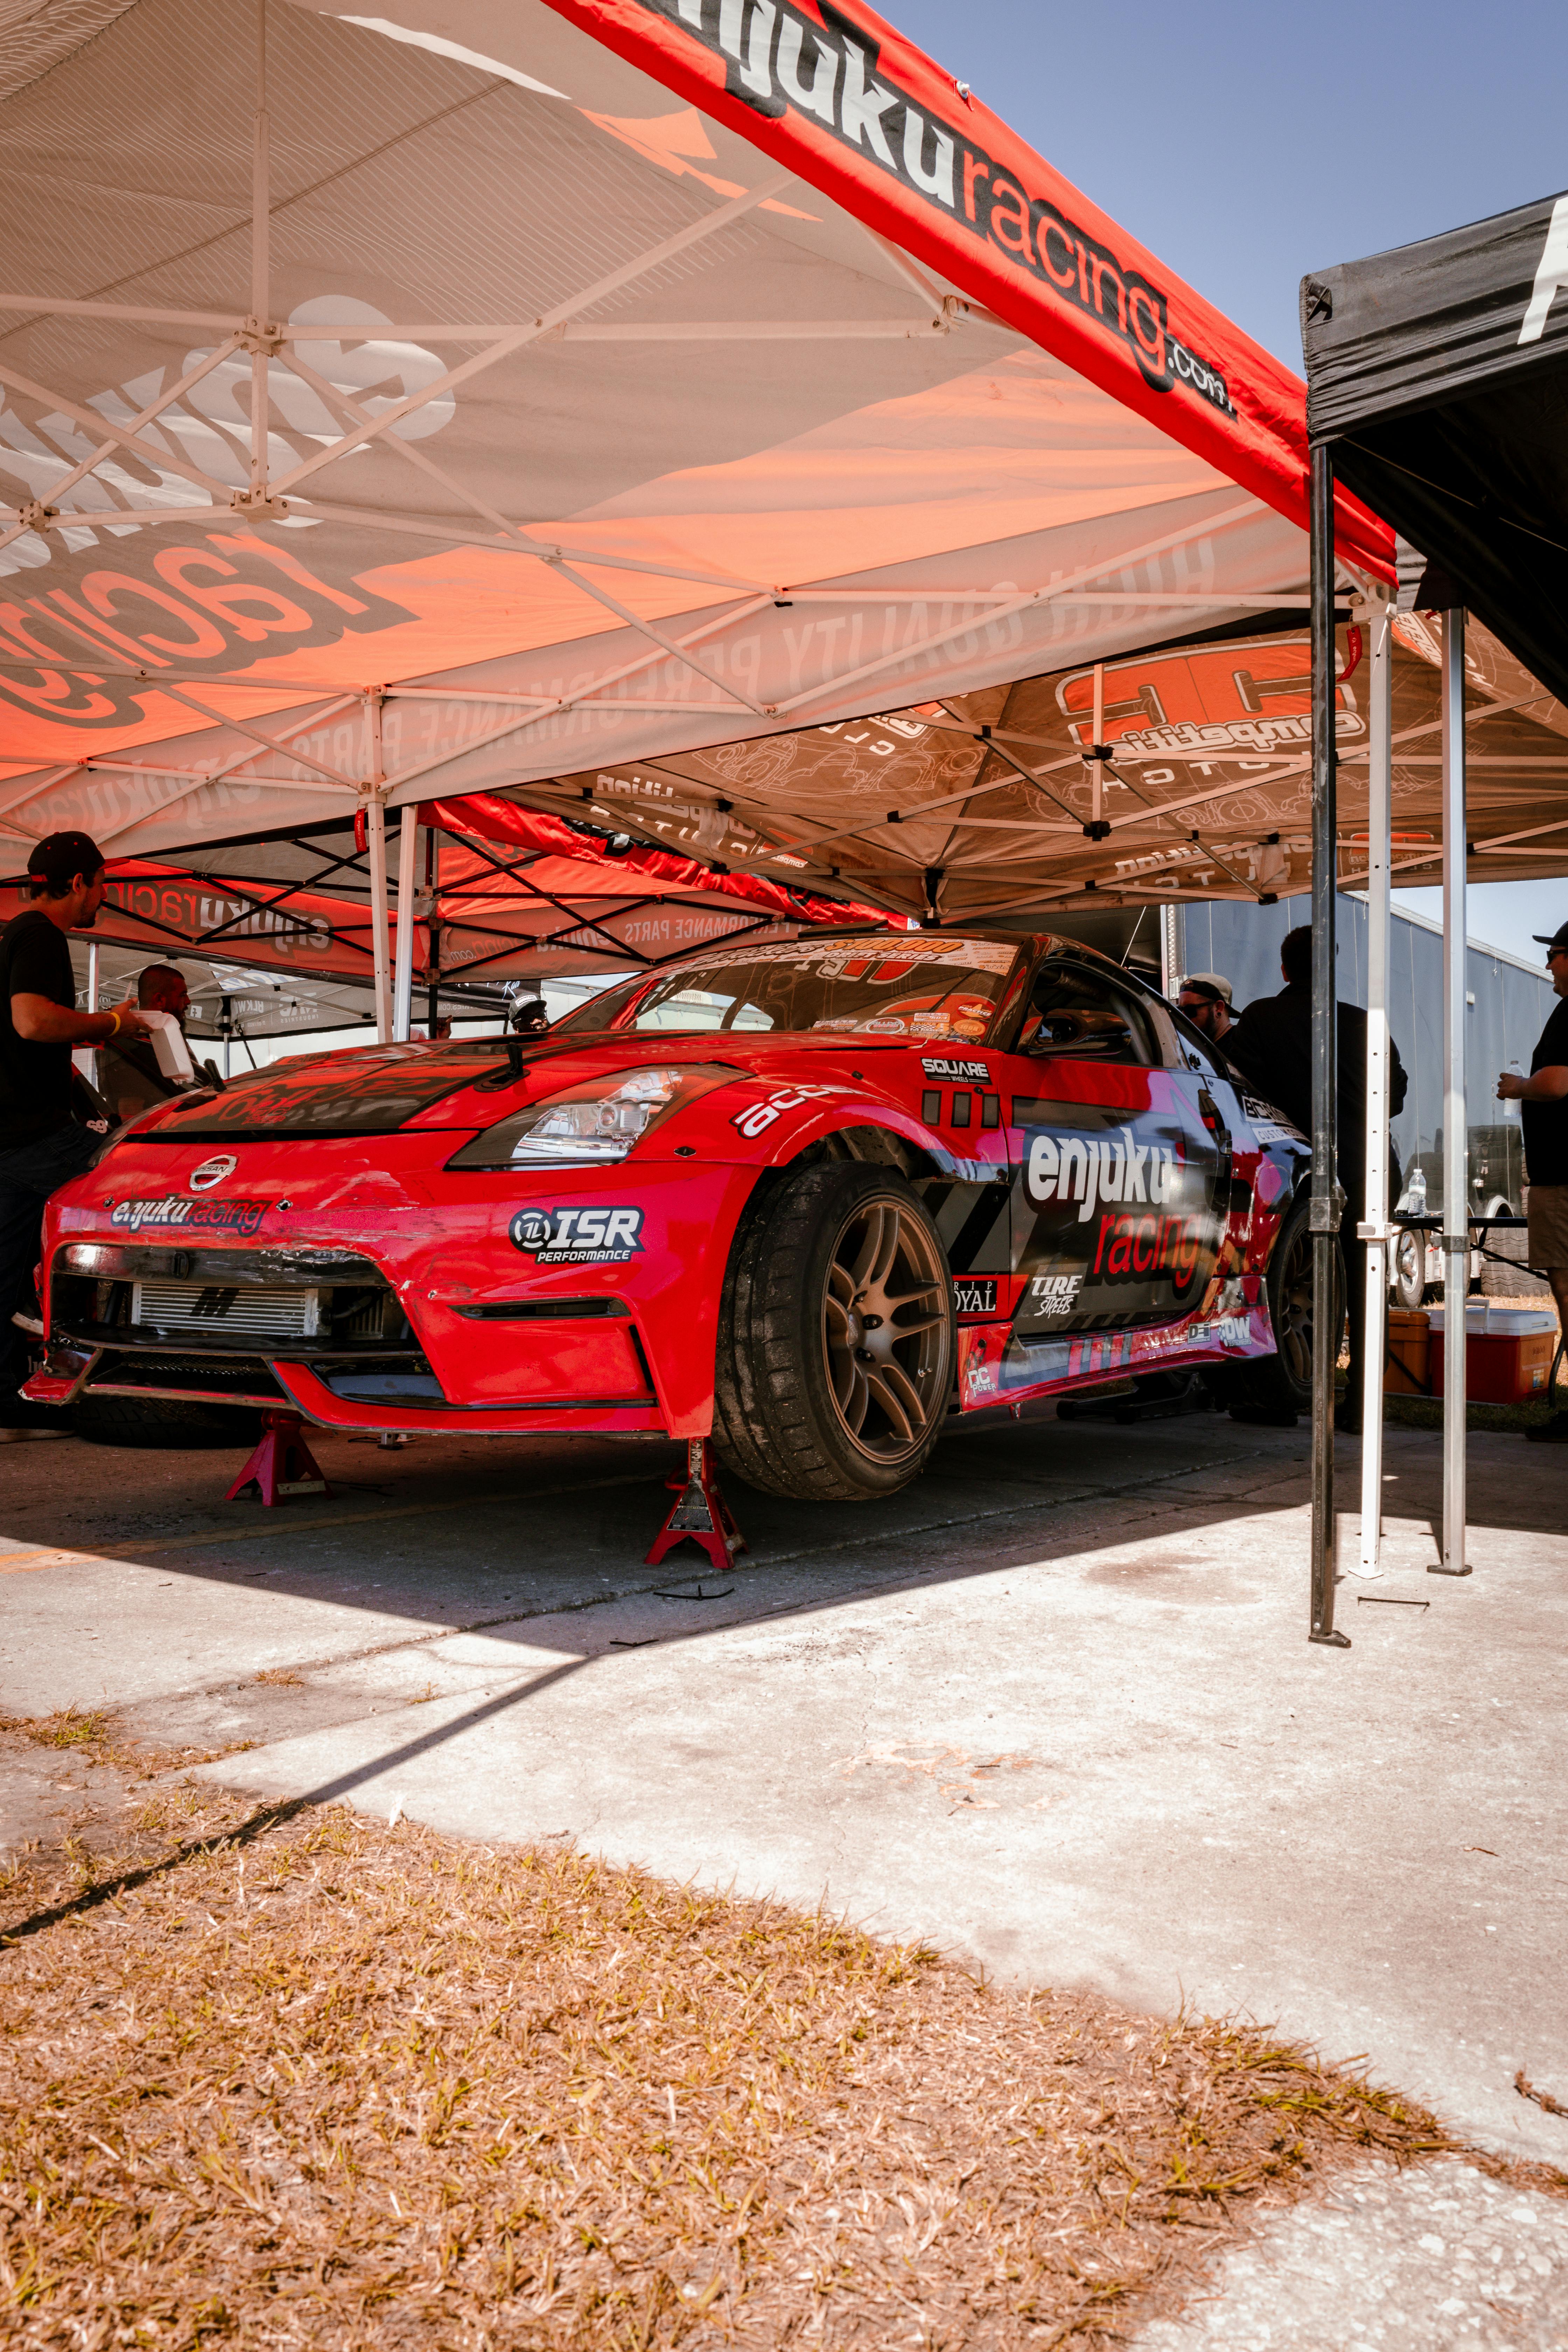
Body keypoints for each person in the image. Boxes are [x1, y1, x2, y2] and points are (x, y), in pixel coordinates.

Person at [1225, 924, 1408, 1433]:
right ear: (1331, 967)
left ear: (1285, 969)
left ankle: (1281, 1398)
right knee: (1366, 1285)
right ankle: (1364, 1404)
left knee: (1286, 1283)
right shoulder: (1366, 1025)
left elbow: (1236, 1088)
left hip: (1298, 1175)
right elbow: (1396, 1098)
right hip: (1369, 1168)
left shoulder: (1263, 1017)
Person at [0, 832, 152, 1435]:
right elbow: (32, 1020)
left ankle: (5, 1395)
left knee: (5, 1268)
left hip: (8, 1135)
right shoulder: (40, 934)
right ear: (81, 882)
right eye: (103, 883)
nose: (104, 896)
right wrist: (113, 1022)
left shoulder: (11, 933)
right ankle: (148, 1359)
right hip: (36, 1134)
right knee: (137, 1196)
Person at [1497, 919, 1568, 1443]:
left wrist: (1519, 1086)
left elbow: (1557, 1083)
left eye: (1556, 954)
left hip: (1564, 1181)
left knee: (1567, 1287)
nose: (1548, 965)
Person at [98, 962, 191, 1122]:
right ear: (160, 999)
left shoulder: (163, 1033)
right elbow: (129, 1110)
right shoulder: (132, 1041)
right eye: (183, 995)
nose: (188, 1002)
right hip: (157, 1138)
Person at [1176, 971, 1233, 1046]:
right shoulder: (1201, 1048)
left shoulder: (1243, 1048)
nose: (1183, 1016)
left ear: (1219, 1008)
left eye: (1190, 1010)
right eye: (1179, 1010)